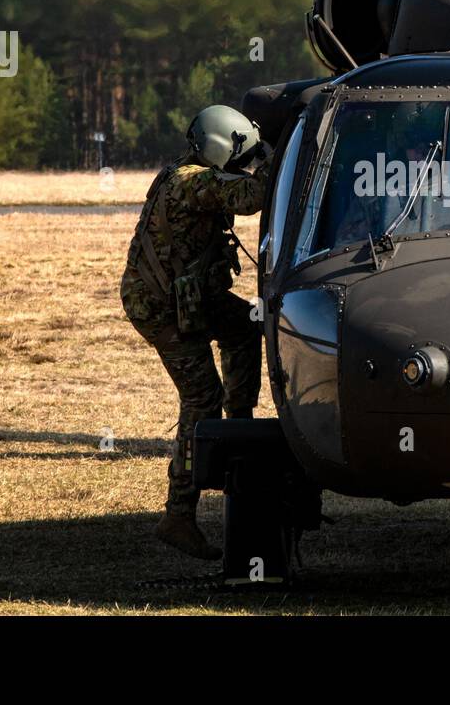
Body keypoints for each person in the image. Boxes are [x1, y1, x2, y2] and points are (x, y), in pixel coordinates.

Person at [120, 105, 271, 560]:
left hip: (191, 295)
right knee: (201, 400)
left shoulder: (186, 175)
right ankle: (179, 515)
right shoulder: (192, 182)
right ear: (222, 148)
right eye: (241, 152)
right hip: (162, 307)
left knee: (246, 326)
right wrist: (275, 157)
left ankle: (240, 429)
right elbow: (253, 196)